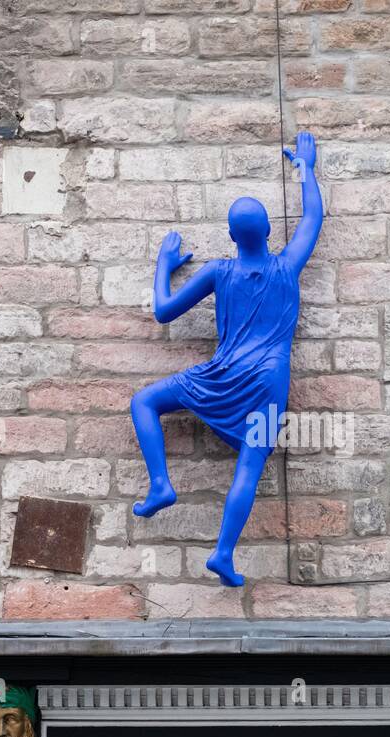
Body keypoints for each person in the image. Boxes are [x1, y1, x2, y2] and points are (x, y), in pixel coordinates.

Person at [130, 132, 324, 587]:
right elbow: (313, 218)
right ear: (269, 233)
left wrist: (164, 263)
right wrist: (306, 168)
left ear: (232, 237)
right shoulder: (287, 265)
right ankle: (222, 552)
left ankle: (161, 483)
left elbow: (163, 311)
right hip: (269, 381)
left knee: (145, 402)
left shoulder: (220, 270)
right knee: (250, 468)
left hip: (222, 373)